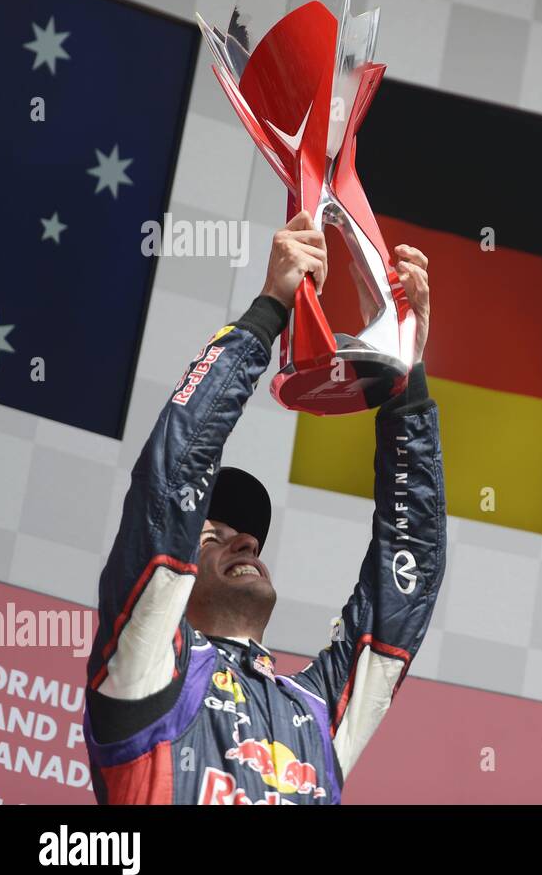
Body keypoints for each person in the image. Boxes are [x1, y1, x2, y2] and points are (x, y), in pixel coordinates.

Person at [82, 212, 445, 804]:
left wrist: (406, 381)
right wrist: (269, 311)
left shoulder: (318, 715)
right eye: (212, 534)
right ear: (169, 580)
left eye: (247, 535)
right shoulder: (148, 670)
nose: (246, 542)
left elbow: (404, 587)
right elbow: (170, 483)